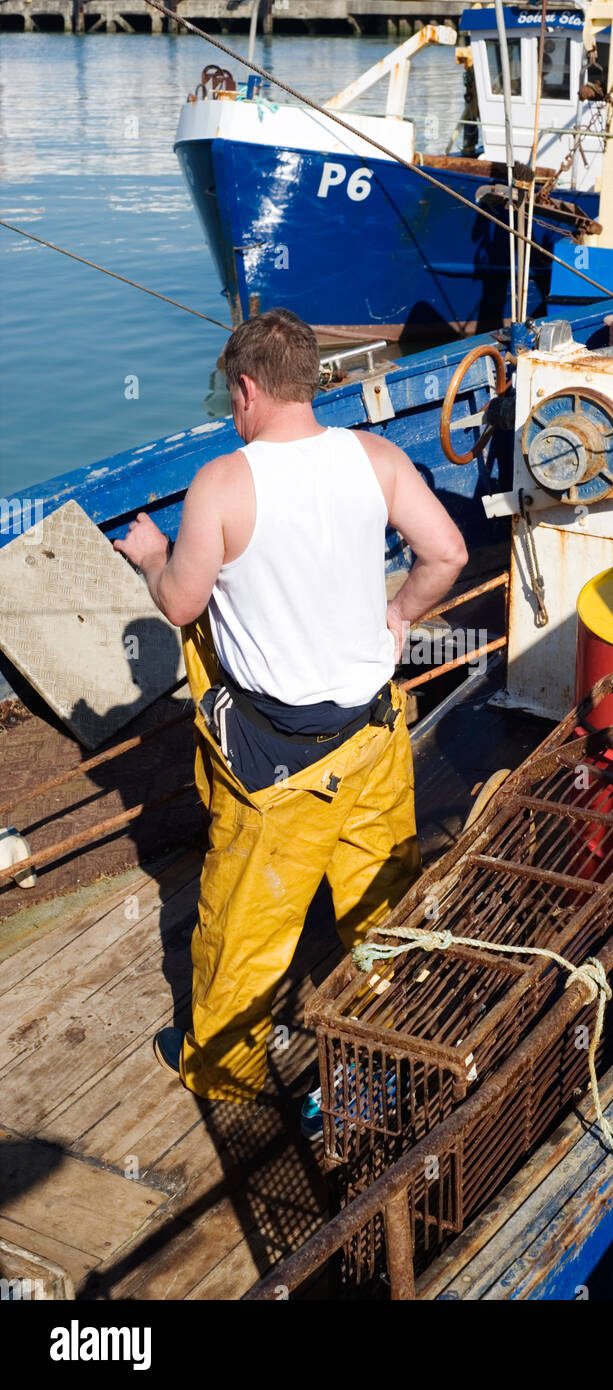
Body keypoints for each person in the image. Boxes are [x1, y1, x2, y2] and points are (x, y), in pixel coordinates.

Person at [114, 308, 468, 1105]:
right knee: (385, 902)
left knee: (243, 928)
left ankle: (227, 1072)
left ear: (246, 390)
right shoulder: (376, 457)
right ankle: (402, 1034)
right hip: (374, 740)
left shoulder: (223, 483)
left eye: (229, 397)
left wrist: (151, 555)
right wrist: (402, 611)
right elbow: (444, 552)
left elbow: (179, 603)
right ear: (311, 380)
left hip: (277, 773)